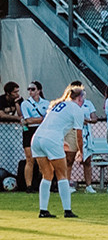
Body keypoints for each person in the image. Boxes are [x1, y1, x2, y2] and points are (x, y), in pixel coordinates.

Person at [30, 82, 89, 218]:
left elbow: (54, 125)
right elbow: (79, 136)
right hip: (51, 139)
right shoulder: (77, 109)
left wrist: (61, 142)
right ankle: (67, 210)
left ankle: (43, 210)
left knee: (47, 175)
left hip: (37, 138)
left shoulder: (58, 105)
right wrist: (81, 152)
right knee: (62, 175)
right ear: (80, 98)